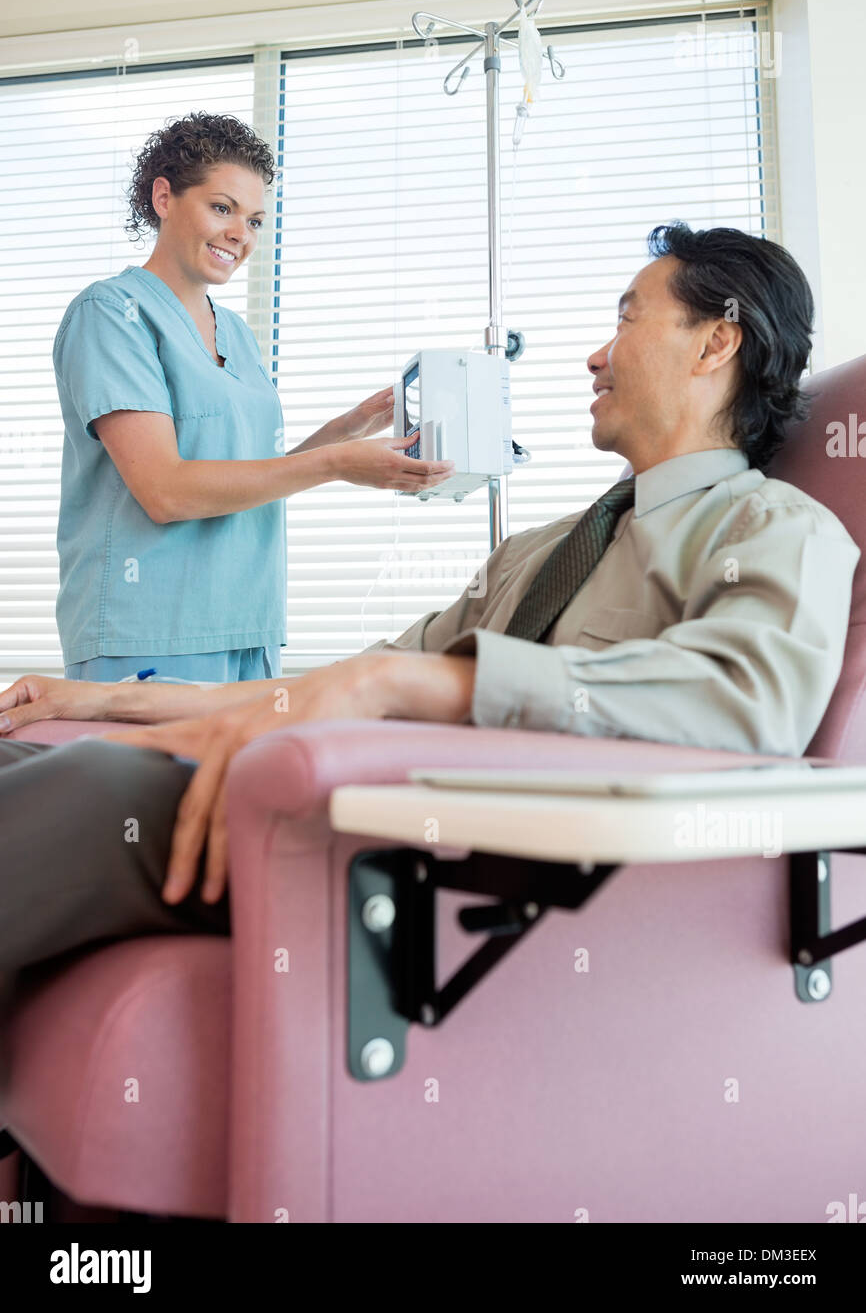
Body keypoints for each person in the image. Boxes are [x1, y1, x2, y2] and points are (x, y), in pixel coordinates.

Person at [0, 223, 859, 975]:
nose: (596, 355)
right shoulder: (541, 552)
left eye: (628, 320)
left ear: (715, 344)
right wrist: (99, 700)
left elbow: (747, 702)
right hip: (348, 806)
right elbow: (342, 685)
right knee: (30, 756)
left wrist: (405, 686)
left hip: (447, 862)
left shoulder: (776, 530)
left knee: (98, 787)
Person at [53, 111, 454, 684]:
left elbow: (249, 476)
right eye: (222, 208)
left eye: (255, 220)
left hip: (249, 627)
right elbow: (165, 490)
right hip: (149, 631)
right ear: (164, 198)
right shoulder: (113, 315)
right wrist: (336, 464)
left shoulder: (237, 334)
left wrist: (347, 429)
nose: (241, 234)